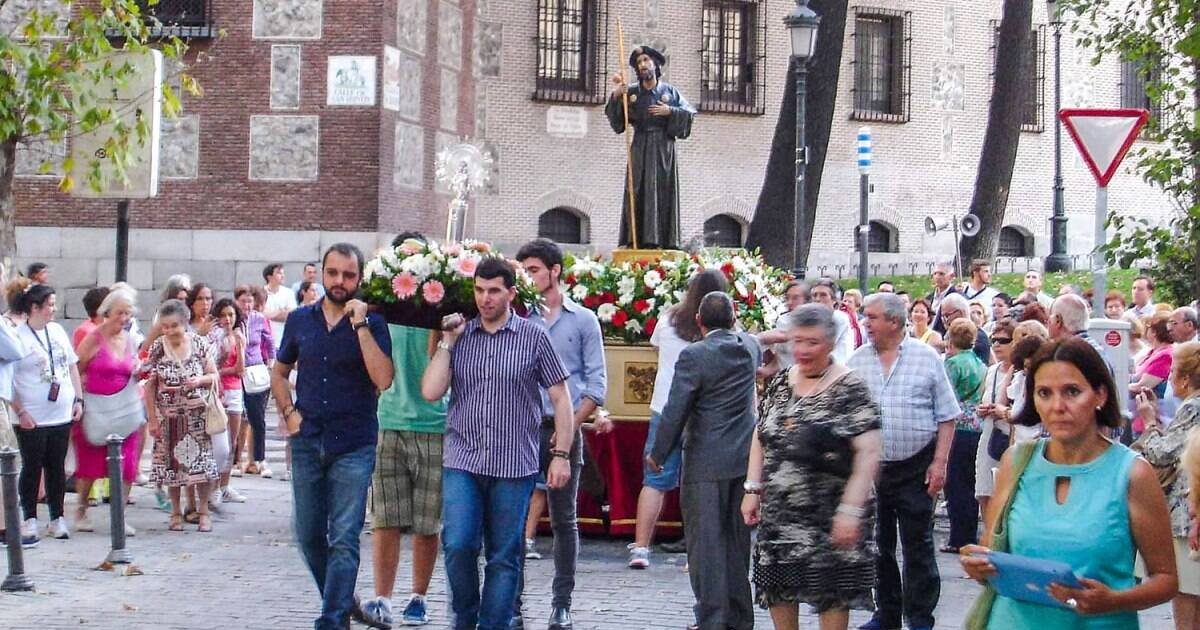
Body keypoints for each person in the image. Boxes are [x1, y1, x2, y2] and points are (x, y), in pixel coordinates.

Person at [960, 337, 1177, 627]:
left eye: (1072, 391)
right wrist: (979, 564)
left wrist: (1113, 601)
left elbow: (1166, 579)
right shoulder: (1017, 461)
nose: (1057, 406)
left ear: (1100, 395)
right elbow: (993, 550)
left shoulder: (1132, 473)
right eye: (1044, 393)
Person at [420, 256, 574, 630]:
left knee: (505, 555)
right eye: (479, 290)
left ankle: (494, 624)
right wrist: (447, 343)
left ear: (510, 292)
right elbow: (430, 391)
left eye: (493, 291)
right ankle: (465, 617)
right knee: (458, 545)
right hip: (464, 459)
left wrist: (561, 455)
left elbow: (561, 398)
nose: (485, 299)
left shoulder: (533, 336)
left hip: (513, 463)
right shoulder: (462, 335)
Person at [271, 244, 393, 630]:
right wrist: (289, 414)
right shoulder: (300, 320)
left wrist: (359, 326)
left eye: (348, 275)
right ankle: (344, 599)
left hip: (353, 442)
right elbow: (279, 371)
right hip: (307, 439)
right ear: (322, 274)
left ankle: (333, 619)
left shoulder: (373, 323)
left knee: (344, 536)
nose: (340, 282)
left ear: (359, 279)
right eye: (333, 273)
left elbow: (383, 379)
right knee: (307, 534)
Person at [742, 304, 882, 630]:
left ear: (831, 344)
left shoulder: (851, 389)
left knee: (830, 594)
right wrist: (752, 488)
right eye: (798, 341)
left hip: (831, 515)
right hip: (781, 515)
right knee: (779, 591)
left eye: (813, 342)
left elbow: (869, 453)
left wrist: (850, 510)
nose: (802, 350)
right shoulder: (779, 383)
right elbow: (761, 435)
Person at [647, 291, 761, 630]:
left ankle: (712, 619)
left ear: (698, 321)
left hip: (704, 462)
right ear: (734, 316)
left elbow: (676, 408)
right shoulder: (750, 346)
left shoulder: (694, 355)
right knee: (737, 545)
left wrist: (658, 452)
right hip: (743, 462)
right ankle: (740, 618)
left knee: (706, 546)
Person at [848, 292, 960, 630]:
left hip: (916, 465)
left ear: (894, 322)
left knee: (918, 545)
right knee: (878, 546)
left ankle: (919, 617)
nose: (865, 323)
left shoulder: (927, 358)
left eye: (872, 317)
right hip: (874, 469)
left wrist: (939, 463)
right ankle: (886, 613)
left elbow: (947, 416)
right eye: (865, 317)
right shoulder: (857, 360)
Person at [514, 239, 610, 630]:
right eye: (522, 271)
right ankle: (513, 602)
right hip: (520, 430)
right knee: (514, 518)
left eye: (533, 270)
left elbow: (596, 385)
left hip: (563, 429)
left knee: (563, 519)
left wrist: (567, 429)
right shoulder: (520, 319)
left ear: (554, 271)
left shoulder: (583, 320)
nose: (527, 277)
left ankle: (561, 603)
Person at [360, 234, 450, 629]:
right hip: (388, 420)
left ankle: (419, 596)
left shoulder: (439, 303)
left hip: (434, 422)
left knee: (428, 521)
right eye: (404, 258)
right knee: (386, 517)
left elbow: (438, 355)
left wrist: (439, 315)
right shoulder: (379, 307)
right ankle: (382, 596)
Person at [631, 268, 729, 568]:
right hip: (704, 412)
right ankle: (698, 552)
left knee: (655, 479)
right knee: (701, 482)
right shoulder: (721, 328)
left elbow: (654, 345)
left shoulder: (669, 318)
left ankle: (640, 548)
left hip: (665, 406)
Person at [1134, 342, 1200, 628]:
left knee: (1186, 602)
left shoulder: (1193, 407)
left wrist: (1149, 421)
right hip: (1190, 510)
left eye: (1173, 371)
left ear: (1185, 378)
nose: (1169, 378)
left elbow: (1161, 452)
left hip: (1187, 514)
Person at [605, 44, 696, 250]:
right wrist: (616, 97)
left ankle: (663, 241)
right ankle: (634, 240)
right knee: (636, 190)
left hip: (663, 149)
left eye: (646, 60)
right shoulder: (632, 93)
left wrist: (670, 111)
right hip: (639, 147)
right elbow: (618, 123)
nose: (643, 65)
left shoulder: (669, 91)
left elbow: (689, 114)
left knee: (661, 192)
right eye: (639, 62)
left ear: (655, 64)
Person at [10, 284, 81, 546]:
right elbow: (9, 379)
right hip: (32, 415)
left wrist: (78, 398)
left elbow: (72, 366)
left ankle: (56, 516)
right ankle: (29, 517)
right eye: (49, 304)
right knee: (32, 465)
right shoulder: (18, 336)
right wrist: (20, 410)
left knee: (56, 466)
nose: (53, 309)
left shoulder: (58, 331)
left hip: (61, 412)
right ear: (34, 308)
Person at [143, 299, 220, 533]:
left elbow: (213, 376)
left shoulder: (199, 344)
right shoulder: (158, 347)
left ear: (185, 323)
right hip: (169, 419)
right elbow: (150, 385)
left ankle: (204, 511)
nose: (170, 331)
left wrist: (199, 380)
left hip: (196, 417)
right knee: (172, 468)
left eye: (174, 325)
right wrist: (153, 419)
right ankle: (175, 511)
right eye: (165, 326)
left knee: (201, 468)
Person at [71, 288, 142, 537]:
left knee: (129, 463)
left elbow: (133, 366)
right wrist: (80, 396)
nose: (123, 318)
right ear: (106, 313)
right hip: (97, 409)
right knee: (91, 463)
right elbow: (75, 370)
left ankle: (119, 517)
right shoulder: (92, 338)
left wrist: (139, 370)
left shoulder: (130, 339)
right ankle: (81, 510)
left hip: (125, 408)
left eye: (127, 313)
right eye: (119, 313)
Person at [941, 319, 987, 554]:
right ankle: (970, 534)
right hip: (977, 426)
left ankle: (958, 537)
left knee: (956, 484)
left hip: (958, 426)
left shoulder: (952, 364)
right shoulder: (980, 363)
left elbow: (945, 394)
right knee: (971, 483)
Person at [973, 318, 1016, 516]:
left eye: (1003, 340)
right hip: (989, 434)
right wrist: (982, 409)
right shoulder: (991, 371)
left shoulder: (1021, 373)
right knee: (984, 491)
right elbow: (980, 399)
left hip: (1011, 437)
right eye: (994, 340)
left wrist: (1002, 411)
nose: (997, 344)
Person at [234, 285, 275, 479]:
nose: (247, 305)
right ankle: (236, 459)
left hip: (255, 369)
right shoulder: (231, 319)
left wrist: (271, 362)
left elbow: (269, 341)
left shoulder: (259, 319)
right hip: (234, 371)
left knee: (257, 417)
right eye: (243, 301)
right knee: (237, 418)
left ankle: (259, 459)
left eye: (250, 301)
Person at [210, 298, 247, 504]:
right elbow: (214, 367)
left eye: (231, 315)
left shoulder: (239, 336)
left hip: (235, 390)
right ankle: (214, 486)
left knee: (233, 441)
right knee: (219, 443)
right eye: (223, 315)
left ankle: (225, 484)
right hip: (218, 390)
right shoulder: (215, 338)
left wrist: (239, 347)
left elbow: (241, 369)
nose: (227, 319)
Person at [756, 279, 810, 380]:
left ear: (807, 300)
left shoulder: (815, 324)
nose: (790, 302)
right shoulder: (783, 320)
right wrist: (765, 371)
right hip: (783, 380)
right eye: (787, 298)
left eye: (795, 298)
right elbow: (780, 357)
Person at [811, 279, 856, 364]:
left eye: (823, 295)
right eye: (814, 295)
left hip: (838, 369)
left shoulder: (839, 317)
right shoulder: (813, 319)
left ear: (834, 299)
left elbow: (823, 345)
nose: (817, 299)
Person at [939, 293, 991, 364]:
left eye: (947, 315)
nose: (944, 320)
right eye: (942, 317)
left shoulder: (975, 336)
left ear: (961, 313)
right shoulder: (951, 333)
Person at [263, 263, 297, 349]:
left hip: (283, 340)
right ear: (269, 277)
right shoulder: (261, 293)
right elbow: (261, 315)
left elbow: (291, 315)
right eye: (279, 273)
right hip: (266, 341)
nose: (283, 276)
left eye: (283, 273)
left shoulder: (289, 293)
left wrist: (269, 315)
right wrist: (281, 311)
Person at [926, 262, 958, 334]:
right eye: (935, 274)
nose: (937, 277)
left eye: (941, 274)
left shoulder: (957, 298)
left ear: (952, 276)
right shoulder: (928, 298)